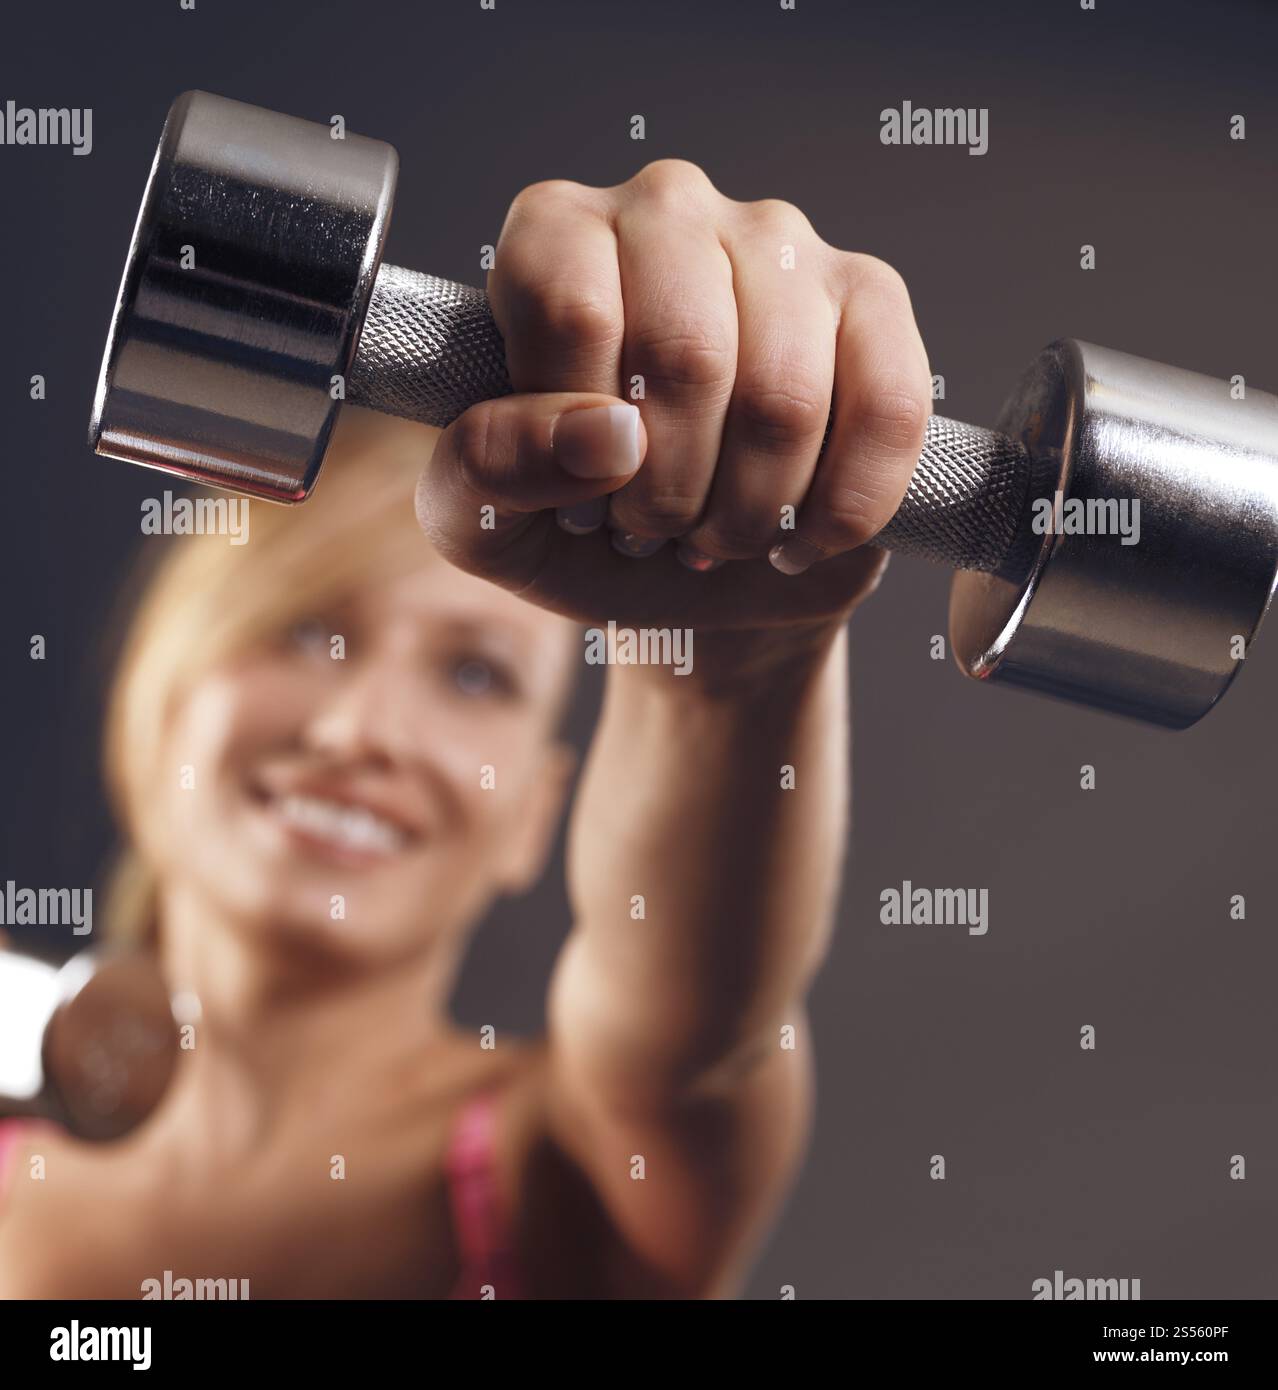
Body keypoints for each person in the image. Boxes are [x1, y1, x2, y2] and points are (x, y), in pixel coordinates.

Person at [0, 160, 931, 1299]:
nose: (362, 729)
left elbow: (699, 1049)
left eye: (478, 676)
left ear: (531, 819)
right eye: (301, 633)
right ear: (157, 708)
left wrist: (729, 661)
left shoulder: (567, 1172)